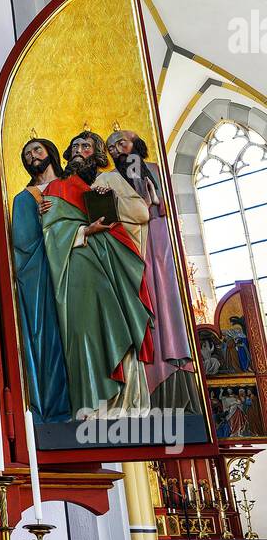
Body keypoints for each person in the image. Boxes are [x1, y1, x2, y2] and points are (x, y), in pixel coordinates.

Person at [39, 130, 153, 417]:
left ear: (98, 155)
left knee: (123, 321)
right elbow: (52, 233)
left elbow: (140, 215)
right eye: (75, 145)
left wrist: (111, 200)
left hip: (115, 262)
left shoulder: (111, 181)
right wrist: (86, 230)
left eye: (86, 146)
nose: (79, 150)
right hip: (79, 263)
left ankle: (128, 402)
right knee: (90, 327)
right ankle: (96, 404)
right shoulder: (58, 188)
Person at [106, 128, 198, 411]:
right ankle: (148, 378)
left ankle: (176, 361)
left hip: (160, 241)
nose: (116, 149)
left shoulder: (155, 169)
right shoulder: (110, 179)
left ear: (136, 144)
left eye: (121, 142)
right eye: (110, 148)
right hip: (131, 246)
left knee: (168, 303)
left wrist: (155, 201)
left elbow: (169, 207)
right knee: (143, 305)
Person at [11, 139, 71, 423]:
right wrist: (42, 222)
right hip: (42, 278)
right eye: (26, 154)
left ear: (51, 153)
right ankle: (55, 408)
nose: (32, 156)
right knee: (50, 338)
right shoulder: (24, 199)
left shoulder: (72, 186)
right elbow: (23, 245)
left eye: (37, 150)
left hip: (75, 272)